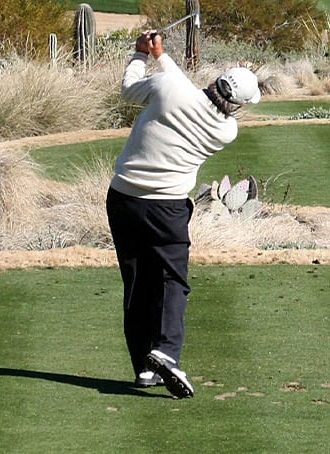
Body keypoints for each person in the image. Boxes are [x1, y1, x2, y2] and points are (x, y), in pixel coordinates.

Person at [107, 30, 261, 397]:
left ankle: (144, 369)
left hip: (123, 198)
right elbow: (186, 91)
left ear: (216, 80)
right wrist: (162, 56)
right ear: (237, 104)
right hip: (167, 208)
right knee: (173, 281)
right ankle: (166, 352)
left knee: (137, 282)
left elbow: (133, 88)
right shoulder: (226, 130)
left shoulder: (166, 88)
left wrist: (141, 54)